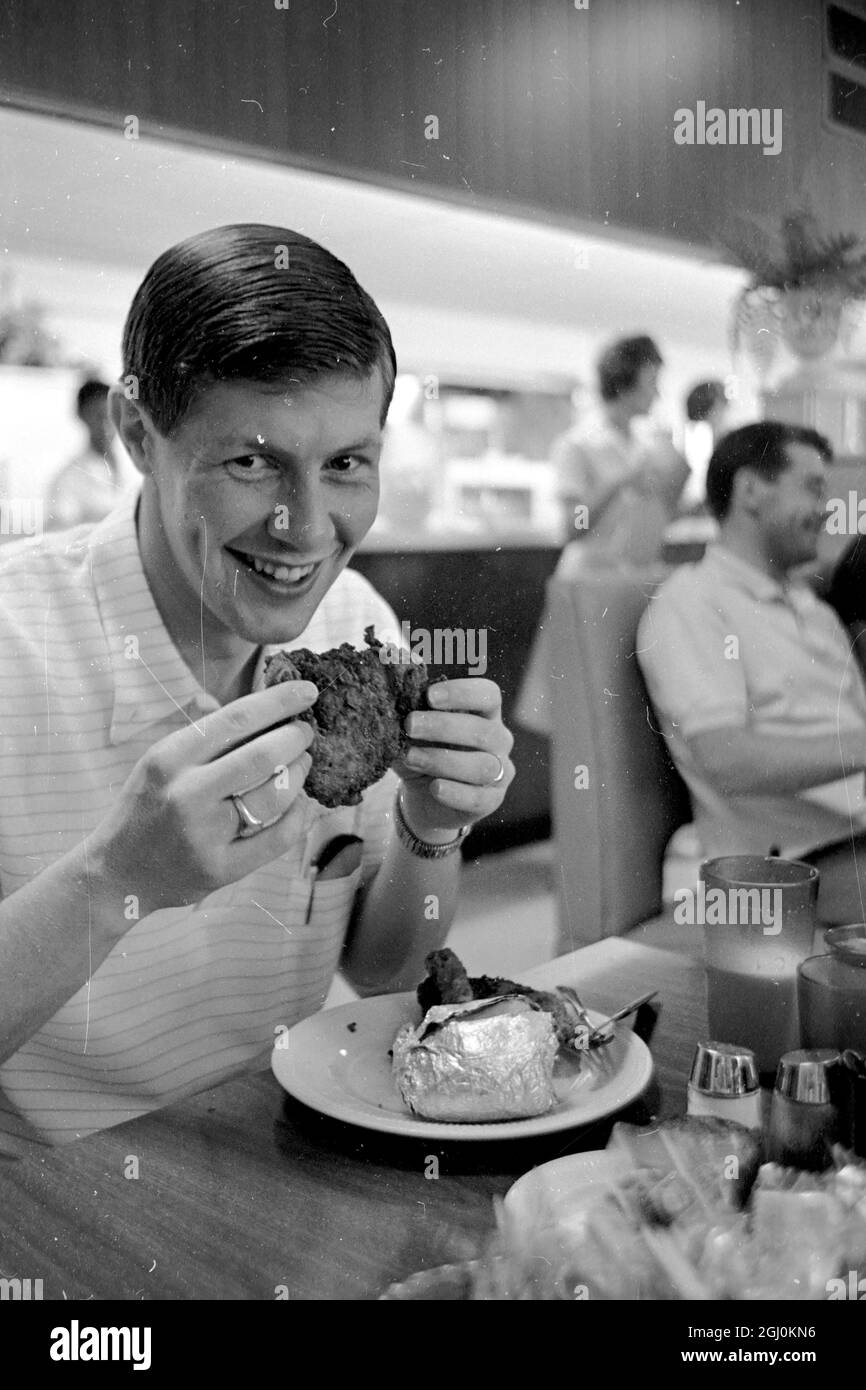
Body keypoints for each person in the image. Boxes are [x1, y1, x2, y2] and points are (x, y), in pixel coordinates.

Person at [0, 224, 514, 1149]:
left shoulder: (352, 617)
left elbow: (386, 972)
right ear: (135, 434)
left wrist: (430, 829)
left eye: (347, 464)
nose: (307, 529)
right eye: (253, 462)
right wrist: (117, 879)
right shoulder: (11, 643)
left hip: (281, 1155)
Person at [637, 421, 866, 927]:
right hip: (792, 867)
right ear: (749, 491)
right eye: (812, 487)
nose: (826, 508)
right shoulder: (693, 603)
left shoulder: (813, 609)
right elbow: (727, 759)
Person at [515, 335, 689, 735]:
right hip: (586, 584)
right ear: (624, 382)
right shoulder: (577, 445)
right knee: (574, 705)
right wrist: (619, 483)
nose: (657, 392)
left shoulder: (645, 446)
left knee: (616, 711)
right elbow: (571, 527)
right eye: (651, 381)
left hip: (629, 584)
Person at [47, 378, 127, 529]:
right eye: (97, 416)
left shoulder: (137, 468)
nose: (106, 425)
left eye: (110, 416)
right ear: (82, 416)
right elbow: (61, 542)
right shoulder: (67, 480)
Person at [680, 379, 729, 511]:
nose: (725, 412)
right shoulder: (700, 433)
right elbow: (699, 480)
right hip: (698, 505)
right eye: (721, 405)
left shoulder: (699, 432)